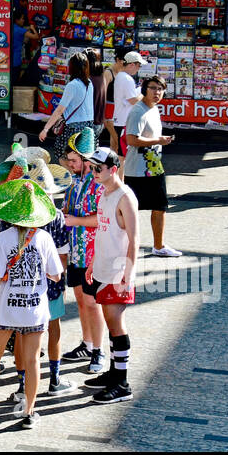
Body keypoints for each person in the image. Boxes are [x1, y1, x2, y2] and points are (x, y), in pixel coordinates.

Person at [0, 179, 64, 427]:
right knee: (32, 361)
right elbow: (56, 274)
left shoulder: (2, 238)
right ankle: (29, 412)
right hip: (34, 311)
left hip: (6, 310)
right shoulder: (43, 238)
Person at [79, 147, 139, 404]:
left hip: (117, 272)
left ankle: (122, 383)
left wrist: (129, 273)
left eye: (98, 168)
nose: (93, 172)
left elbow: (135, 239)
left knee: (116, 325)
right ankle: (114, 373)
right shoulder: (105, 193)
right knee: (110, 322)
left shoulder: (125, 197)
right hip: (103, 268)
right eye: (91, 167)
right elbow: (104, 231)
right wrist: (92, 263)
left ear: (112, 169)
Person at [57, 130, 108, 375]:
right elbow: (69, 208)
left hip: (92, 253)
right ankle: (87, 344)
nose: (70, 165)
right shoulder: (74, 181)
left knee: (92, 301)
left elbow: (102, 219)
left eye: (74, 160)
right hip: (75, 250)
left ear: (87, 161)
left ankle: (99, 350)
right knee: (80, 300)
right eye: (68, 160)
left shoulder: (98, 185)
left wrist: (75, 220)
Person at [122, 74, 184, 256]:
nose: (157, 92)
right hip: (137, 170)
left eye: (160, 89)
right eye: (153, 88)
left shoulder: (154, 109)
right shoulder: (137, 111)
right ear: (145, 90)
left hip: (154, 167)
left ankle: (159, 246)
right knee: (129, 210)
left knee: (160, 207)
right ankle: (123, 246)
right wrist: (158, 140)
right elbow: (131, 139)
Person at [39, 50, 96, 161]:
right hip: (88, 126)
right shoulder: (89, 83)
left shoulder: (72, 85)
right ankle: (77, 177)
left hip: (73, 127)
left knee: (63, 156)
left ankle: (71, 177)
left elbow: (60, 109)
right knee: (81, 159)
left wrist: (46, 129)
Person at [111, 51, 145, 157]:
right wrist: (144, 92)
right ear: (132, 64)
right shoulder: (127, 79)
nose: (138, 68)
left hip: (121, 120)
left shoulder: (121, 76)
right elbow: (133, 100)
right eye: (138, 66)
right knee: (124, 156)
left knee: (122, 154)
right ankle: (122, 174)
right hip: (124, 122)